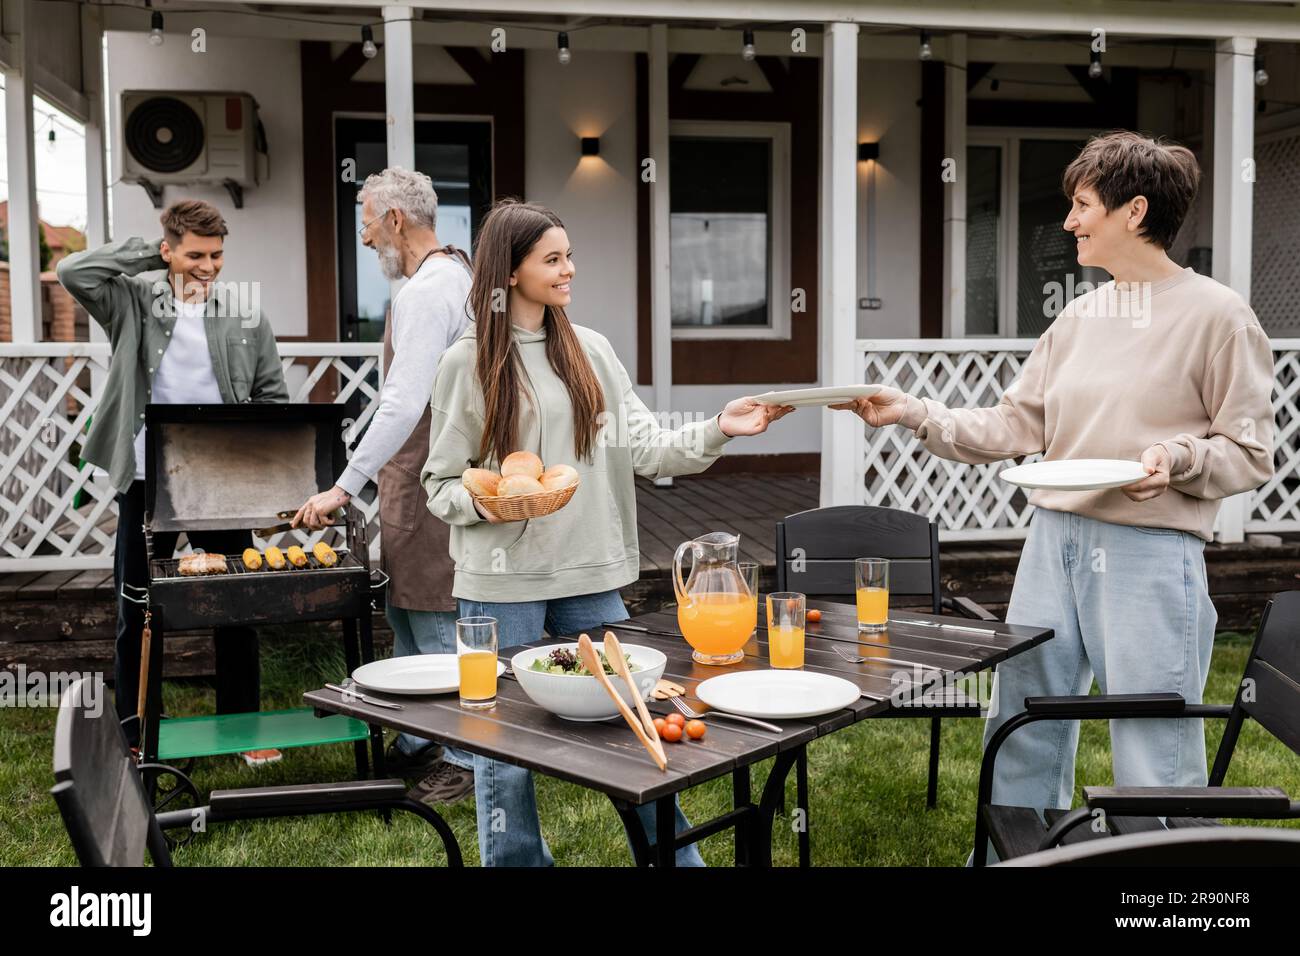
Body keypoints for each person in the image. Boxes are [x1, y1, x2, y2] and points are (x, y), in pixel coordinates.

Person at [831, 131, 1274, 862]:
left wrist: (1179, 458)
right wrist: (914, 412)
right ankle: (1018, 861)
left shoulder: (1218, 316)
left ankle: (1167, 892)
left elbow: (1251, 449)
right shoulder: (1080, 317)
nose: (1069, 221)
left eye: (1081, 205)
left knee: (1153, 739)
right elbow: (1016, 424)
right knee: (1023, 715)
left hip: (1149, 552)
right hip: (1053, 543)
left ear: (1135, 212)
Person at [421, 199, 793, 866]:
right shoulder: (468, 361)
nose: (570, 269)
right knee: (503, 745)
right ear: (510, 272)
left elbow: (648, 450)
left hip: (592, 572)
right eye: (553, 259)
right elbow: (441, 483)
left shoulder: (590, 350)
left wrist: (719, 429)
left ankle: (675, 860)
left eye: (569, 255)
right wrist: (492, 507)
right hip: (503, 584)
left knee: (632, 727)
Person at [57, 199, 289, 763]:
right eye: (195, 255)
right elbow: (73, 271)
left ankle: (243, 730)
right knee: (137, 605)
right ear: (168, 251)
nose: (208, 266)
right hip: (144, 477)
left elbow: (271, 399)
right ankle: (136, 734)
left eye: (216, 255)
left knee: (236, 606)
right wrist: (153, 257)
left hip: (220, 482)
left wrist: (264, 488)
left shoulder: (246, 314)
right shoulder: (133, 299)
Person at [292, 167, 475, 802]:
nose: (366, 238)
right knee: (404, 609)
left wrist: (344, 486)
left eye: (369, 222)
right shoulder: (453, 274)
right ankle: (417, 737)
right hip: (415, 474)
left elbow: (401, 402)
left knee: (431, 616)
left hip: (430, 471)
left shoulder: (428, 291)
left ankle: (465, 759)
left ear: (397, 219)